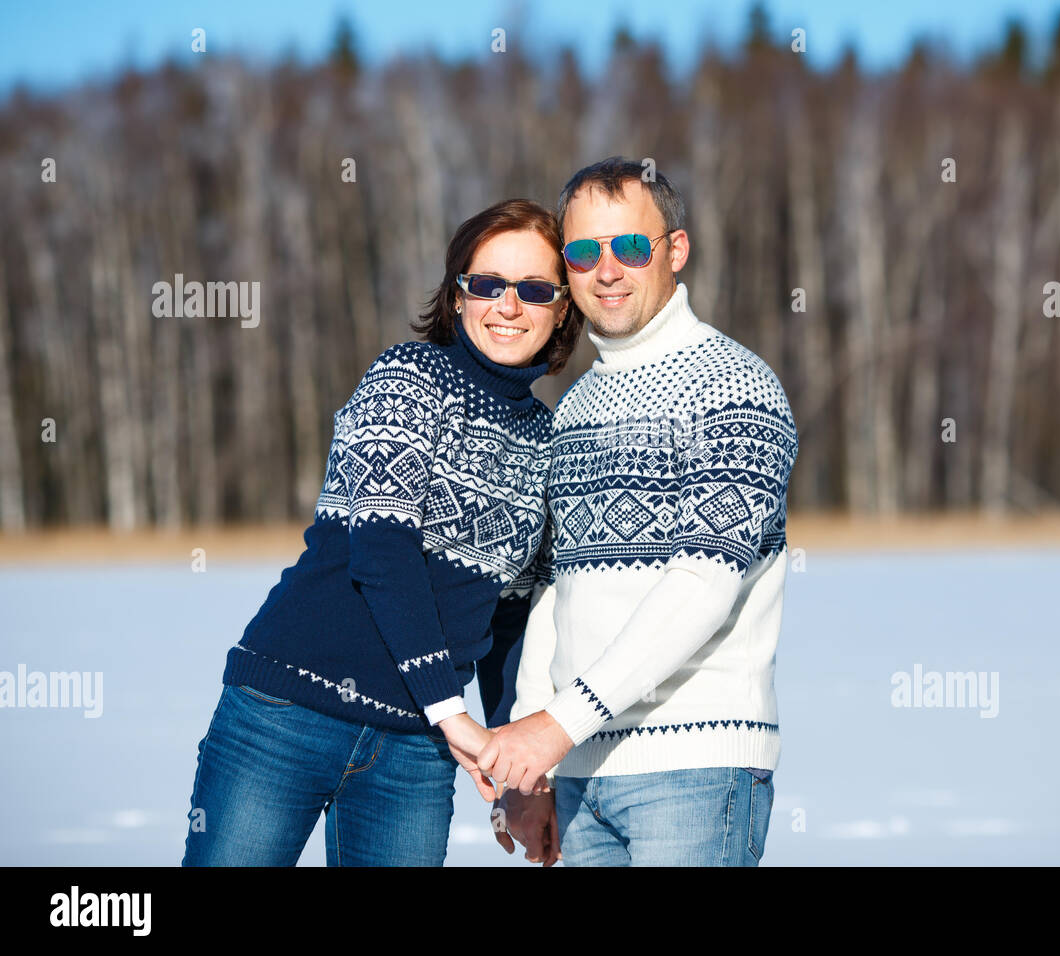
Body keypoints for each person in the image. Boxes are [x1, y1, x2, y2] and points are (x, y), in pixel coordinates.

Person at [182, 198, 581, 866]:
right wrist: (452, 714)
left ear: (562, 309)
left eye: (535, 289)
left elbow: (510, 622)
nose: (509, 306)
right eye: (488, 284)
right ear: (458, 296)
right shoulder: (408, 377)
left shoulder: (548, 440)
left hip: (416, 751)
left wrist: (519, 768)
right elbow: (383, 553)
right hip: (287, 714)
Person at [479, 158, 799, 866]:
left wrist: (554, 728)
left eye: (630, 246)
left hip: (695, 768)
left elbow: (701, 584)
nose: (607, 271)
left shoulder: (734, 387)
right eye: (583, 252)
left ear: (674, 250)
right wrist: (533, 761)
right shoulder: (574, 408)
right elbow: (553, 593)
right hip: (578, 776)